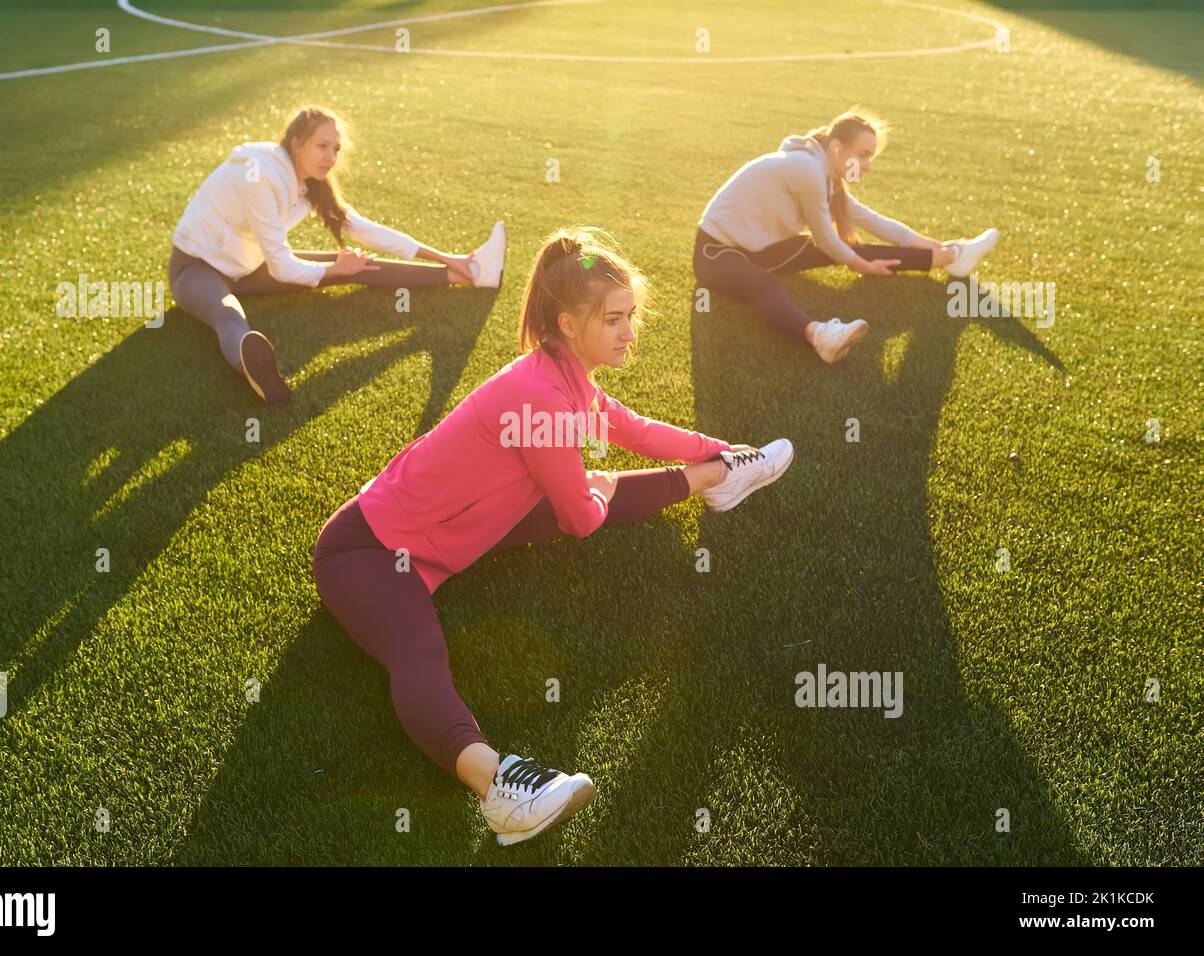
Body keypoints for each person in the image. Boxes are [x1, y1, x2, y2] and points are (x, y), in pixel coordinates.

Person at [312, 227, 794, 846]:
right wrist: (595, 488)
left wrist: (722, 450)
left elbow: (634, 428)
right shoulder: (541, 398)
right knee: (419, 652)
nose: (630, 331)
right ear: (568, 322)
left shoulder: (565, 376)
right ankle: (499, 789)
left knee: (588, 482)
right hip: (369, 552)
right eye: (614, 319)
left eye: (632, 316)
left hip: (459, 527)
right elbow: (581, 520)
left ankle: (722, 477)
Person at [168, 104, 506, 403]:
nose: (330, 157)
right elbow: (283, 266)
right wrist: (335, 271)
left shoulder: (310, 180)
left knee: (357, 264)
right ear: (296, 143)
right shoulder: (259, 175)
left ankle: (471, 274)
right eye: (322, 146)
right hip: (197, 270)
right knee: (228, 315)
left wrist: (448, 257)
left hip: (251, 265)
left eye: (335, 149)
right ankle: (252, 368)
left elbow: (364, 228)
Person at [693, 109, 1000, 363]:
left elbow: (876, 223)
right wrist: (863, 267)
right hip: (716, 254)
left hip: (759, 250)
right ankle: (820, 336)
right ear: (838, 146)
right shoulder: (806, 169)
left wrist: (942, 249)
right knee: (764, 283)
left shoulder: (827, 177)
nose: (866, 166)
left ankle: (952, 259)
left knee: (846, 248)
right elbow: (826, 240)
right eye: (863, 155)